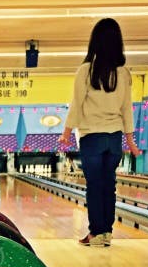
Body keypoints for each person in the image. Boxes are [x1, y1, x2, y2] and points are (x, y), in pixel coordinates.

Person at [60, 18, 140, 247]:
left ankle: (96, 233)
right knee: (109, 186)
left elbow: (76, 105)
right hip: (114, 139)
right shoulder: (123, 73)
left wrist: (66, 132)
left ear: (94, 42)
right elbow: (127, 109)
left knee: (95, 187)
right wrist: (131, 141)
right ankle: (106, 233)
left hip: (92, 138)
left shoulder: (86, 71)